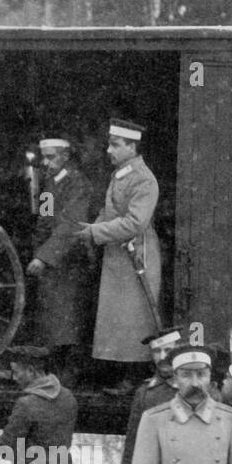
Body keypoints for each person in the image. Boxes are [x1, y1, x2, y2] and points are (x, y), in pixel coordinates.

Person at [78, 119, 161, 374]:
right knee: (118, 321)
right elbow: (109, 210)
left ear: (132, 147)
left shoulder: (144, 180)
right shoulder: (121, 174)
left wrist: (96, 231)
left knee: (134, 321)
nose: (109, 151)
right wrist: (90, 228)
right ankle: (117, 373)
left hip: (136, 258)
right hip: (119, 256)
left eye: (115, 145)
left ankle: (136, 375)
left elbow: (135, 222)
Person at [26, 138, 94, 379]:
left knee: (68, 320)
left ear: (65, 156)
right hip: (53, 261)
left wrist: (44, 256)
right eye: (44, 157)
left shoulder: (78, 184)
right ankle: (55, 371)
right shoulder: (49, 182)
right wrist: (38, 249)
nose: (46, 162)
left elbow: (71, 225)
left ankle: (68, 375)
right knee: (52, 320)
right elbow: (45, 220)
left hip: (71, 262)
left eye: (51, 157)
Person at [115, 329, 181, 464]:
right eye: (157, 352)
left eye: (168, 351)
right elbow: (133, 442)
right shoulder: (144, 394)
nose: (162, 357)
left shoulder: (193, 390)